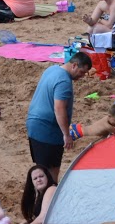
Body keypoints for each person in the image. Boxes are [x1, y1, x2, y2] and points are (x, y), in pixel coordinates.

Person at [26, 52, 92, 180]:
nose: (82, 76)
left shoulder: (52, 69)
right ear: (74, 65)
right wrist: (66, 134)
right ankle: (46, 199)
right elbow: (59, 108)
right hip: (47, 130)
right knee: (49, 174)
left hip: (33, 125)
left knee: (41, 170)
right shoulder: (64, 81)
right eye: (82, 72)